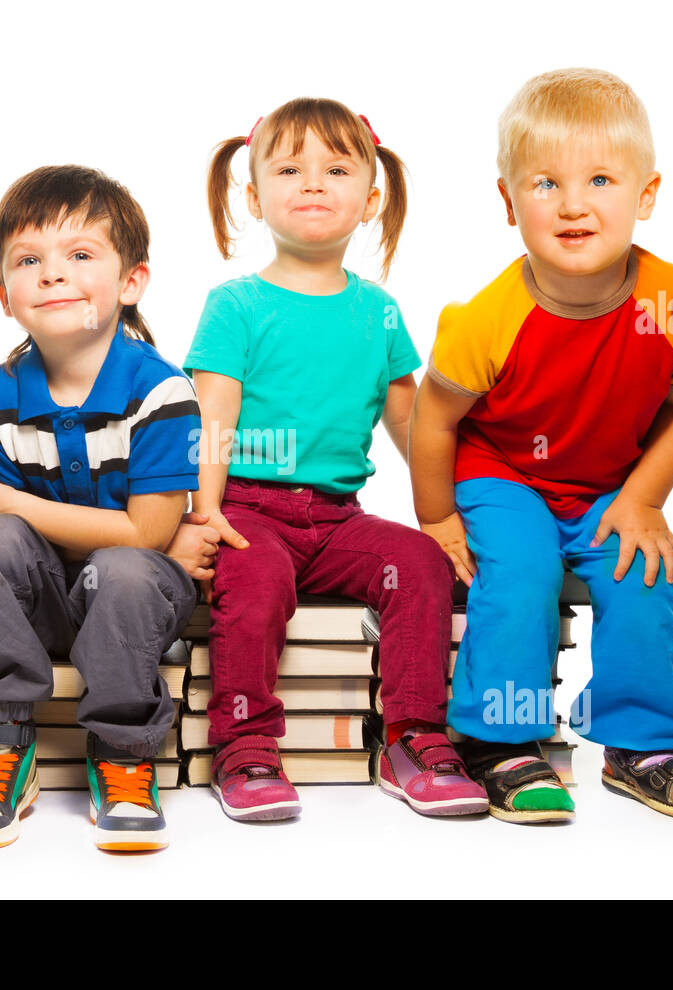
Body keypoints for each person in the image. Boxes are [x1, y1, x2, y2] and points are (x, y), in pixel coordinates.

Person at [411, 68, 673, 823]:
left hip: (609, 482)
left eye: (600, 180)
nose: (575, 203)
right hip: (504, 475)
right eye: (546, 183)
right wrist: (435, 518)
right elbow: (435, 419)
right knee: (522, 569)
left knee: (642, 573)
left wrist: (644, 498)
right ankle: (500, 740)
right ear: (508, 200)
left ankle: (640, 744)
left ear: (646, 195)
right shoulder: (486, 317)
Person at [184, 97, 488, 823]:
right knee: (253, 585)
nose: (313, 183)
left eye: (336, 169)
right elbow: (213, 422)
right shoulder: (236, 305)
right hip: (250, 509)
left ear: (370, 198)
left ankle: (413, 737)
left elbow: (413, 429)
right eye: (290, 169)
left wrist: (440, 518)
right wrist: (204, 514)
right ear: (255, 197)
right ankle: (245, 748)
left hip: (337, 519)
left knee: (416, 565)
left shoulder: (379, 312)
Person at [0, 165, 200, 852]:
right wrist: (0, 510)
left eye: (80, 255)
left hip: (132, 598)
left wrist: (11, 500)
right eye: (29, 260)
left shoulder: (161, 390)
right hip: (43, 598)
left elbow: (146, 534)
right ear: (4, 295)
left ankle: (121, 754)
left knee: (123, 569)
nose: (52, 275)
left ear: (131, 282)